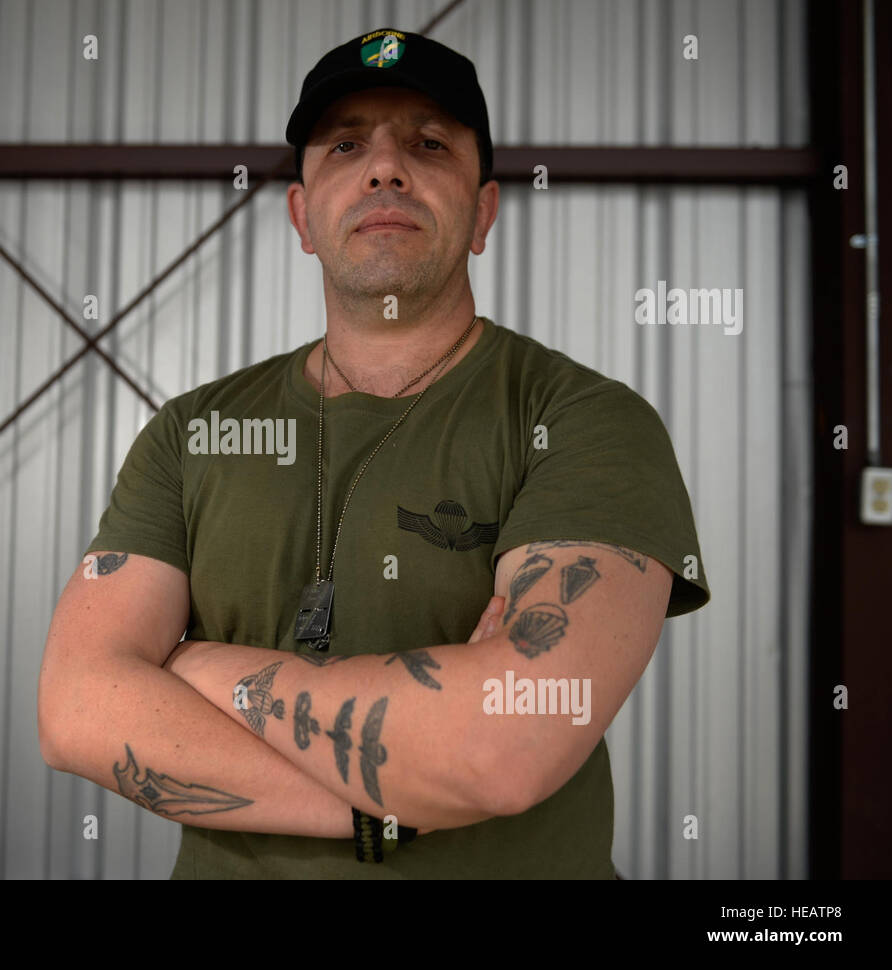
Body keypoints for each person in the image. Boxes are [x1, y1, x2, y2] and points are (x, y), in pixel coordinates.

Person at [38, 27, 710, 878]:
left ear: (484, 212)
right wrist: (385, 809)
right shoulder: (191, 432)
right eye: (347, 144)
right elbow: (74, 710)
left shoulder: (585, 421)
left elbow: (506, 745)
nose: (386, 167)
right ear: (302, 217)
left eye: (429, 143)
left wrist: (200, 669)